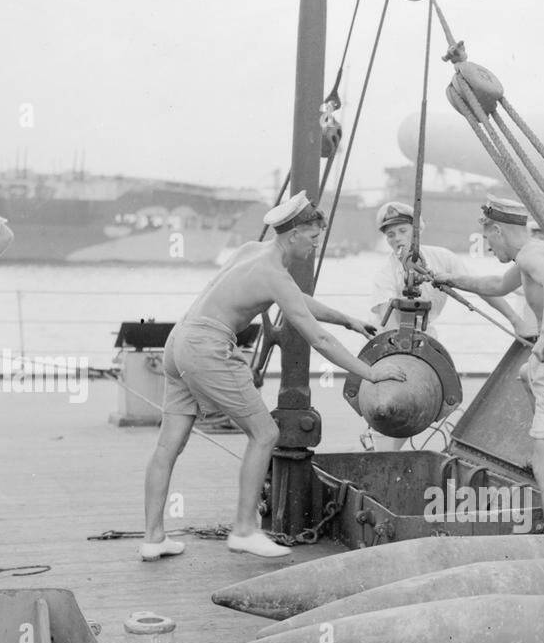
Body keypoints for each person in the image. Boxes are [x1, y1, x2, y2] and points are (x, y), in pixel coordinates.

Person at [143, 191, 405, 561]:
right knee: (265, 433)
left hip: (179, 341)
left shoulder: (252, 251)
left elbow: (296, 300)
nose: (315, 245)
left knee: (168, 446)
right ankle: (245, 531)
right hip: (207, 346)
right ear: (293, 234)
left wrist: (346, 318)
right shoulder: (274, 274)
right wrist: (371, 373)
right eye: (313, 238)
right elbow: (318, 337)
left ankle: (153, 538)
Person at [431, 197, 544, 534]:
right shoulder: (536, 250)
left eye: (488, 240)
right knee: (526, 374)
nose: (488, 247)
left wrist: (543, 335)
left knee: (543, 467)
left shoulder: (530, 256)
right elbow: (496, 285)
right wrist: (448, 278)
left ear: (497, 230)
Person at [365, 200, 525, 452]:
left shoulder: (443, 259)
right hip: (392, 347)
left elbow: (480, 286)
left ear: (418, 230)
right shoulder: (386, 275)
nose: (397, 239)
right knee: (392, 409)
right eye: (391, 235)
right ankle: (383, 451)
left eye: (403, 231)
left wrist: (515, 320)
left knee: (422, 405)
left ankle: (389, 450)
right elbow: (391, 320)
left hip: (427, 339)